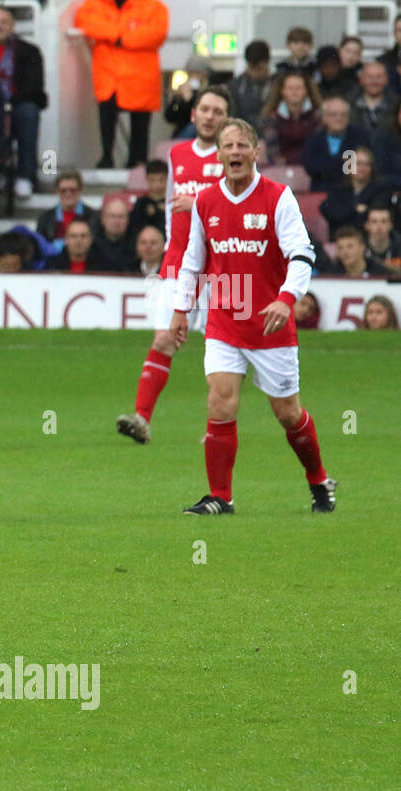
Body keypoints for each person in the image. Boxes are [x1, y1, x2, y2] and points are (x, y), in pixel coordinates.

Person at [170, 117, 334, 515]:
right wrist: (180, 310)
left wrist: (285, 299)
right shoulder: (206, 201)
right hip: (225, 318)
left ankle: (318, 479)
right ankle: (220, 497)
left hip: (269, 324)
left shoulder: (278, 197)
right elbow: (193, 262)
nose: (235, 152)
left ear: (256, 152)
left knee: (288, 413)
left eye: (243, 145)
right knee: (220, 401)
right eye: (228, 146)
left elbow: (302, 255)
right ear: (220, 154)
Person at [117, 87, 229, 445]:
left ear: (227, 119)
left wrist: (197, 202)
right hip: (179, 262)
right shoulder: (176, 154)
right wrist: (172, 247)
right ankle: (141, 419)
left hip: (224, 267)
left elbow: (236, 208)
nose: (211, 116)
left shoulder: (233, 156)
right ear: (193, 114)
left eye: (218, 111)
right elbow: (170, 208)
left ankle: (217, 428)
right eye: (205, 109)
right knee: (164, 338)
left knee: (221, 348)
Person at [75, 0, 168, 168]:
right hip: (109, 75)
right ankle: (106, 156)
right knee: (106, 116)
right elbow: (84, 21)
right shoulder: (95, 5)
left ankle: (137, 160)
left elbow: (157, 33)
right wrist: (117, 35)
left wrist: (121, 39)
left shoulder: (153, 6)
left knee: (140, 121)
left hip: (140, 75)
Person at [0, 6, 47, 198]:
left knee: (28, 112)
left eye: (4, 22)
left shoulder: (30, 51)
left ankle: (25, 177)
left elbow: (34, 86)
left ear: (12, 25)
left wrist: (7, 104)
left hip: (16, 105)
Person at [323, 225, 393, 278]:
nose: (345, 251)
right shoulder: (331, 276)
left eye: (350, 246)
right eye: (340, 248)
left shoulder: (380, 273)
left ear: (362, 247)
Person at [128, 158, 168, 239]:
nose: (157, 184)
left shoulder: (172, 204)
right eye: (152, 180)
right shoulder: (140, 203)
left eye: (161, 180)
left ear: (168, 179)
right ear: (146, 179)